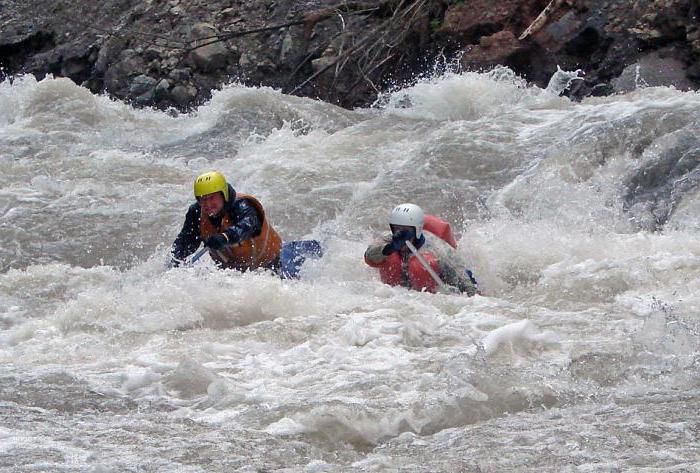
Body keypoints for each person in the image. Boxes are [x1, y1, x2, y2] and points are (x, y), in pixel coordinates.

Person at [170, 171, 282, 271]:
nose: (208, 204)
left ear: (223, 194)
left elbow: (248, 226)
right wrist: (174, 264)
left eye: (212, 197)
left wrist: (225, 237)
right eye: (203, 199)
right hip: (230, 271)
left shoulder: (243, 205)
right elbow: (185, 243)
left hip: (267, 264)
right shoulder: (196, 212)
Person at [365, 203, 477, 296]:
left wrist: (472, 295)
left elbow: (460, 273)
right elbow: (369, 255)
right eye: (396, 228)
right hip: (396, 295)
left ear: (417, 229)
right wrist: (389, 248)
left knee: (421, 265)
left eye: (405, 230)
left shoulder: (436, 248)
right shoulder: (389, 240)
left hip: (429, 296)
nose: (399, 233)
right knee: (390, 258)